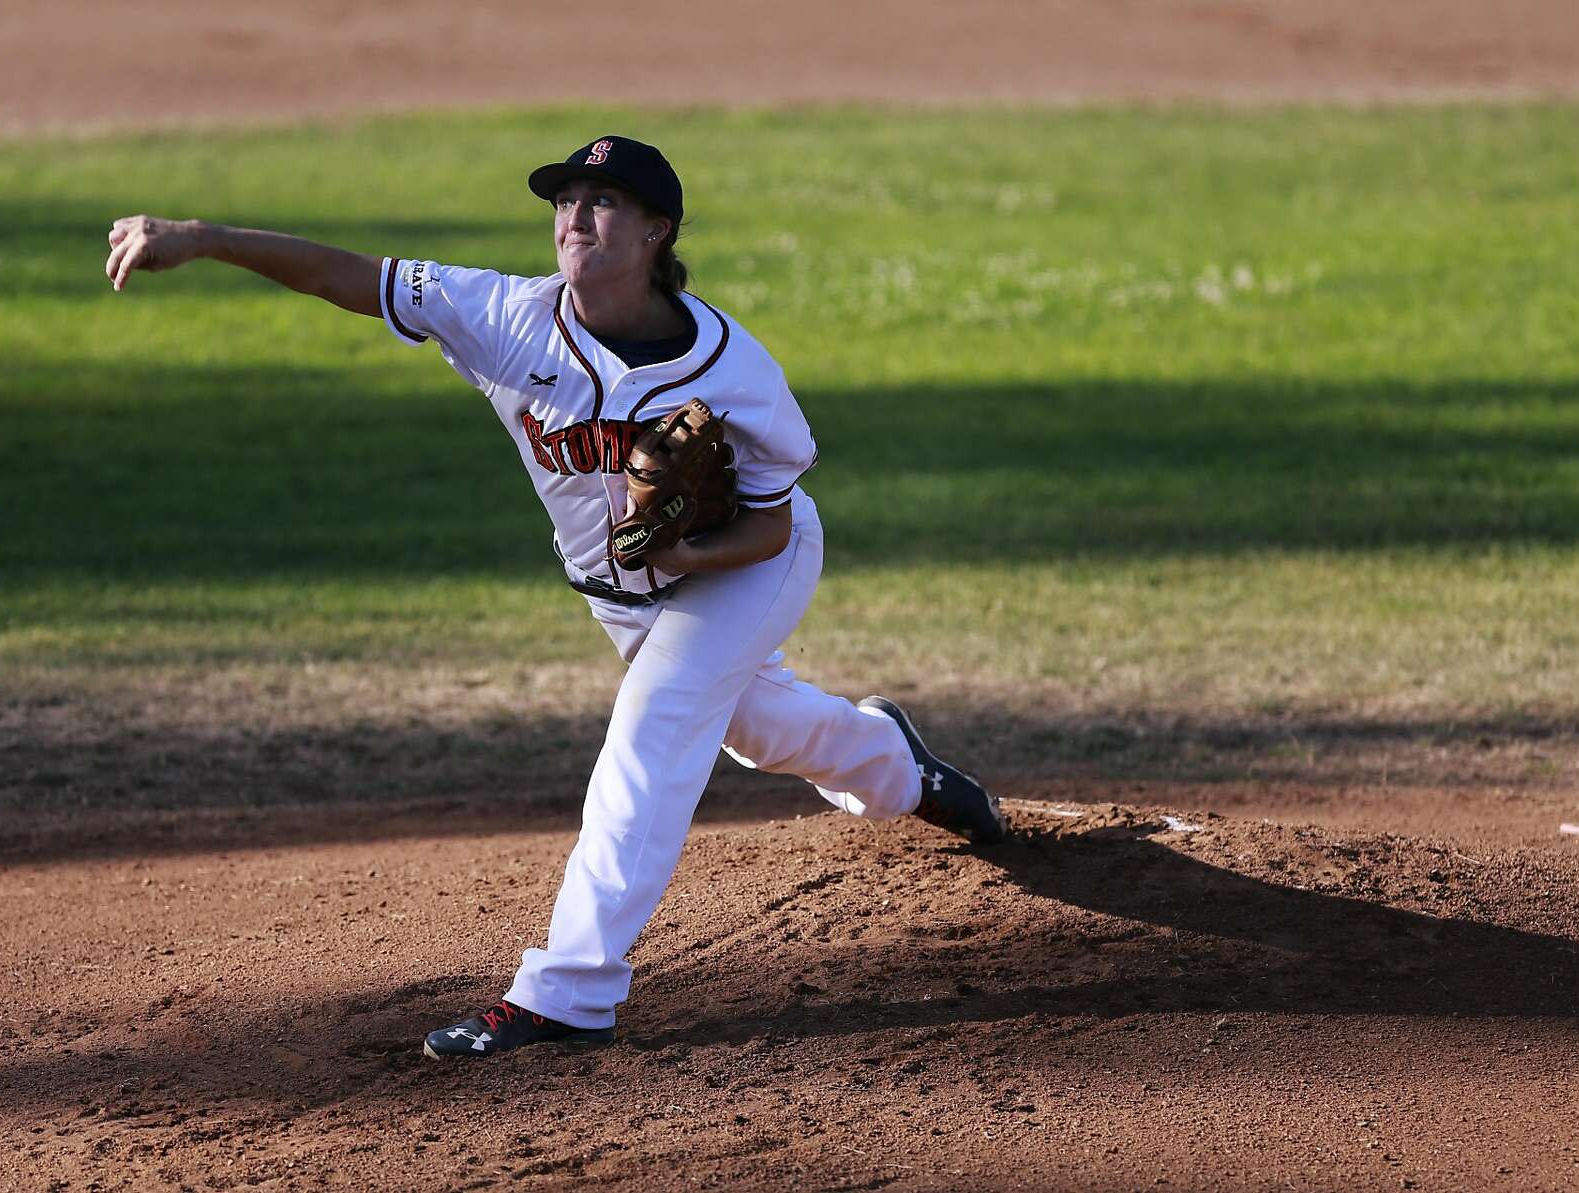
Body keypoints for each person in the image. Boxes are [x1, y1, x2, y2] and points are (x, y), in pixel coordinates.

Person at [104, 135, 1008, 1060]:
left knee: (653, 725)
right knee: (754, 729)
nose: (577, 215)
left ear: (658, 231)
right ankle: (899, 766)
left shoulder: (737, 372)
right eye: (566, 198)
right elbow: (350, 276)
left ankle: (568, 993)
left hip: (747, 566)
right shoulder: (503, 315)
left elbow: (773, 526)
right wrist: (204, 237)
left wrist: (690, 552)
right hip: (619, 592)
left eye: (605, 200)